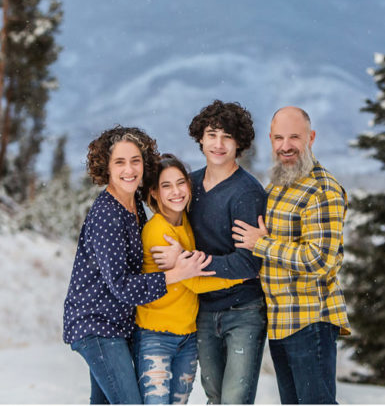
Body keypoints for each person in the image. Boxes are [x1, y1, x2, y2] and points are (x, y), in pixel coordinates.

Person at [63, 126, 214, 404]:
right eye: (119, 162)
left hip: (119, 326)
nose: (129, 169)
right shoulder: (107, 214)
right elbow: (122, 286)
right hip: (96, 325)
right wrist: (175, 274)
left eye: (135, 161)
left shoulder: (133, 206)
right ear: (106, 168)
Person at [232, 106, 351, 405]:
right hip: (281, 321)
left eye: (294, 137)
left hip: (310, 320)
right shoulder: (278, 184)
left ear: (311, 138)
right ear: (271, 140)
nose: (286, 146)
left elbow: (319, 260)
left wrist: (262, 244)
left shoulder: (322, 190)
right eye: (279, 138)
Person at [151, 100, 267, 404]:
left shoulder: (247, 193)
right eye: (212, 134)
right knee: (214, 397)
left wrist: (188, 263)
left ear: (239, 142)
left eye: (227, 136)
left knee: (234, 399)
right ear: (200, 138)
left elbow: (248, 263)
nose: (218, 144)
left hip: (243, 311)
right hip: (202, 309)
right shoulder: (190, 187)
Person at [135, 154, 246, 404]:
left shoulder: (184, 221)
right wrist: (240, 275)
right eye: (166, 186)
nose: (176, 192)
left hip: (187, 336)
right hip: (156, 336)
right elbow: (194, 280)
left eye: (180, 182)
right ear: (154, 192)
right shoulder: (158, 232)